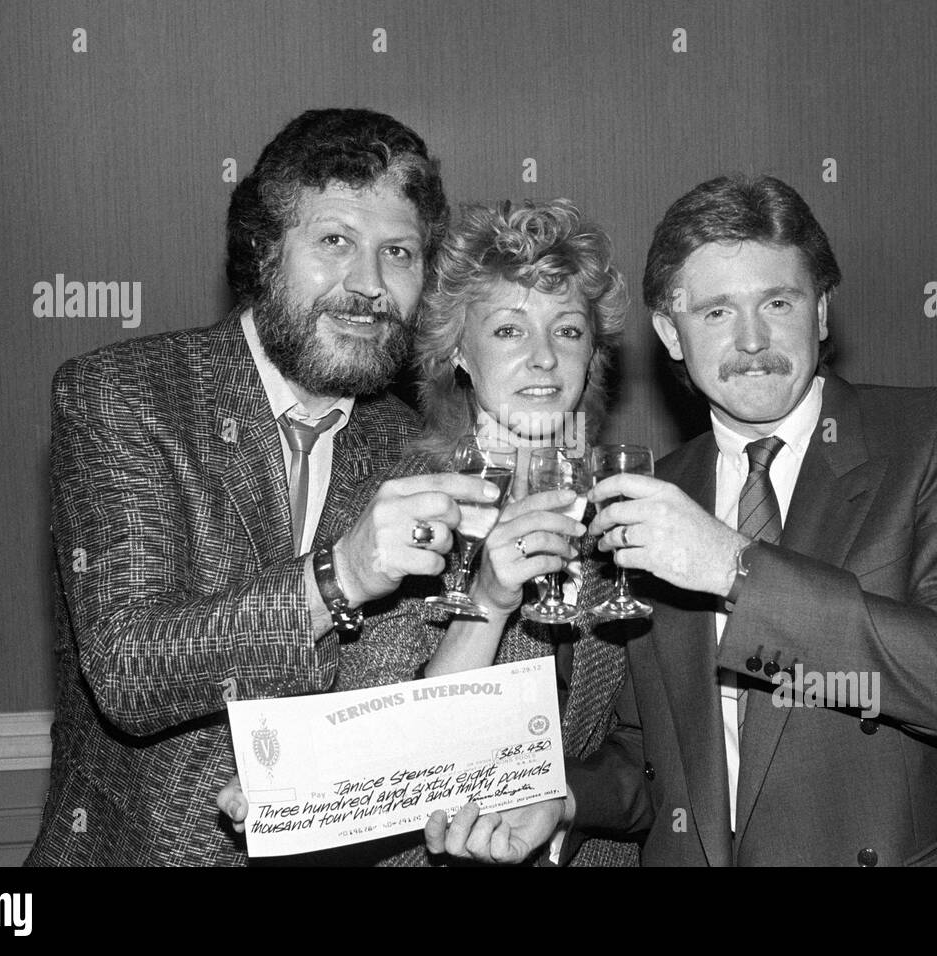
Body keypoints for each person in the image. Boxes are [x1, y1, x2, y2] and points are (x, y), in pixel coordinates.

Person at [427, 174, 937, 867]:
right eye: (716, 312)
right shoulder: (651, 493)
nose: (752, 341)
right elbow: (653, 753)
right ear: (670, 334)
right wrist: (565, 797)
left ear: (821, 313)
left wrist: (733, 566)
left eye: (777, 302)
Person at [28, 108, 499, 866]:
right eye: (335, 242)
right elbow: (127, 668)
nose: (369, 285)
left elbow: (415, 709)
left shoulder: (420, 450)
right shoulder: (123, 395)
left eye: (399, 252)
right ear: (263, 252)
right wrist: (338, 576)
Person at [219, 198, 640, 866]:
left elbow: (647, 750)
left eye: (567, 331)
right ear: (459, 353)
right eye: (508, 330)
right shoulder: (395, 499)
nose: (542, 358)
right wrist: (489, 604)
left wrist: (569, 801)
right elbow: (369, 732)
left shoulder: (618, 504)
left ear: (592, 355)